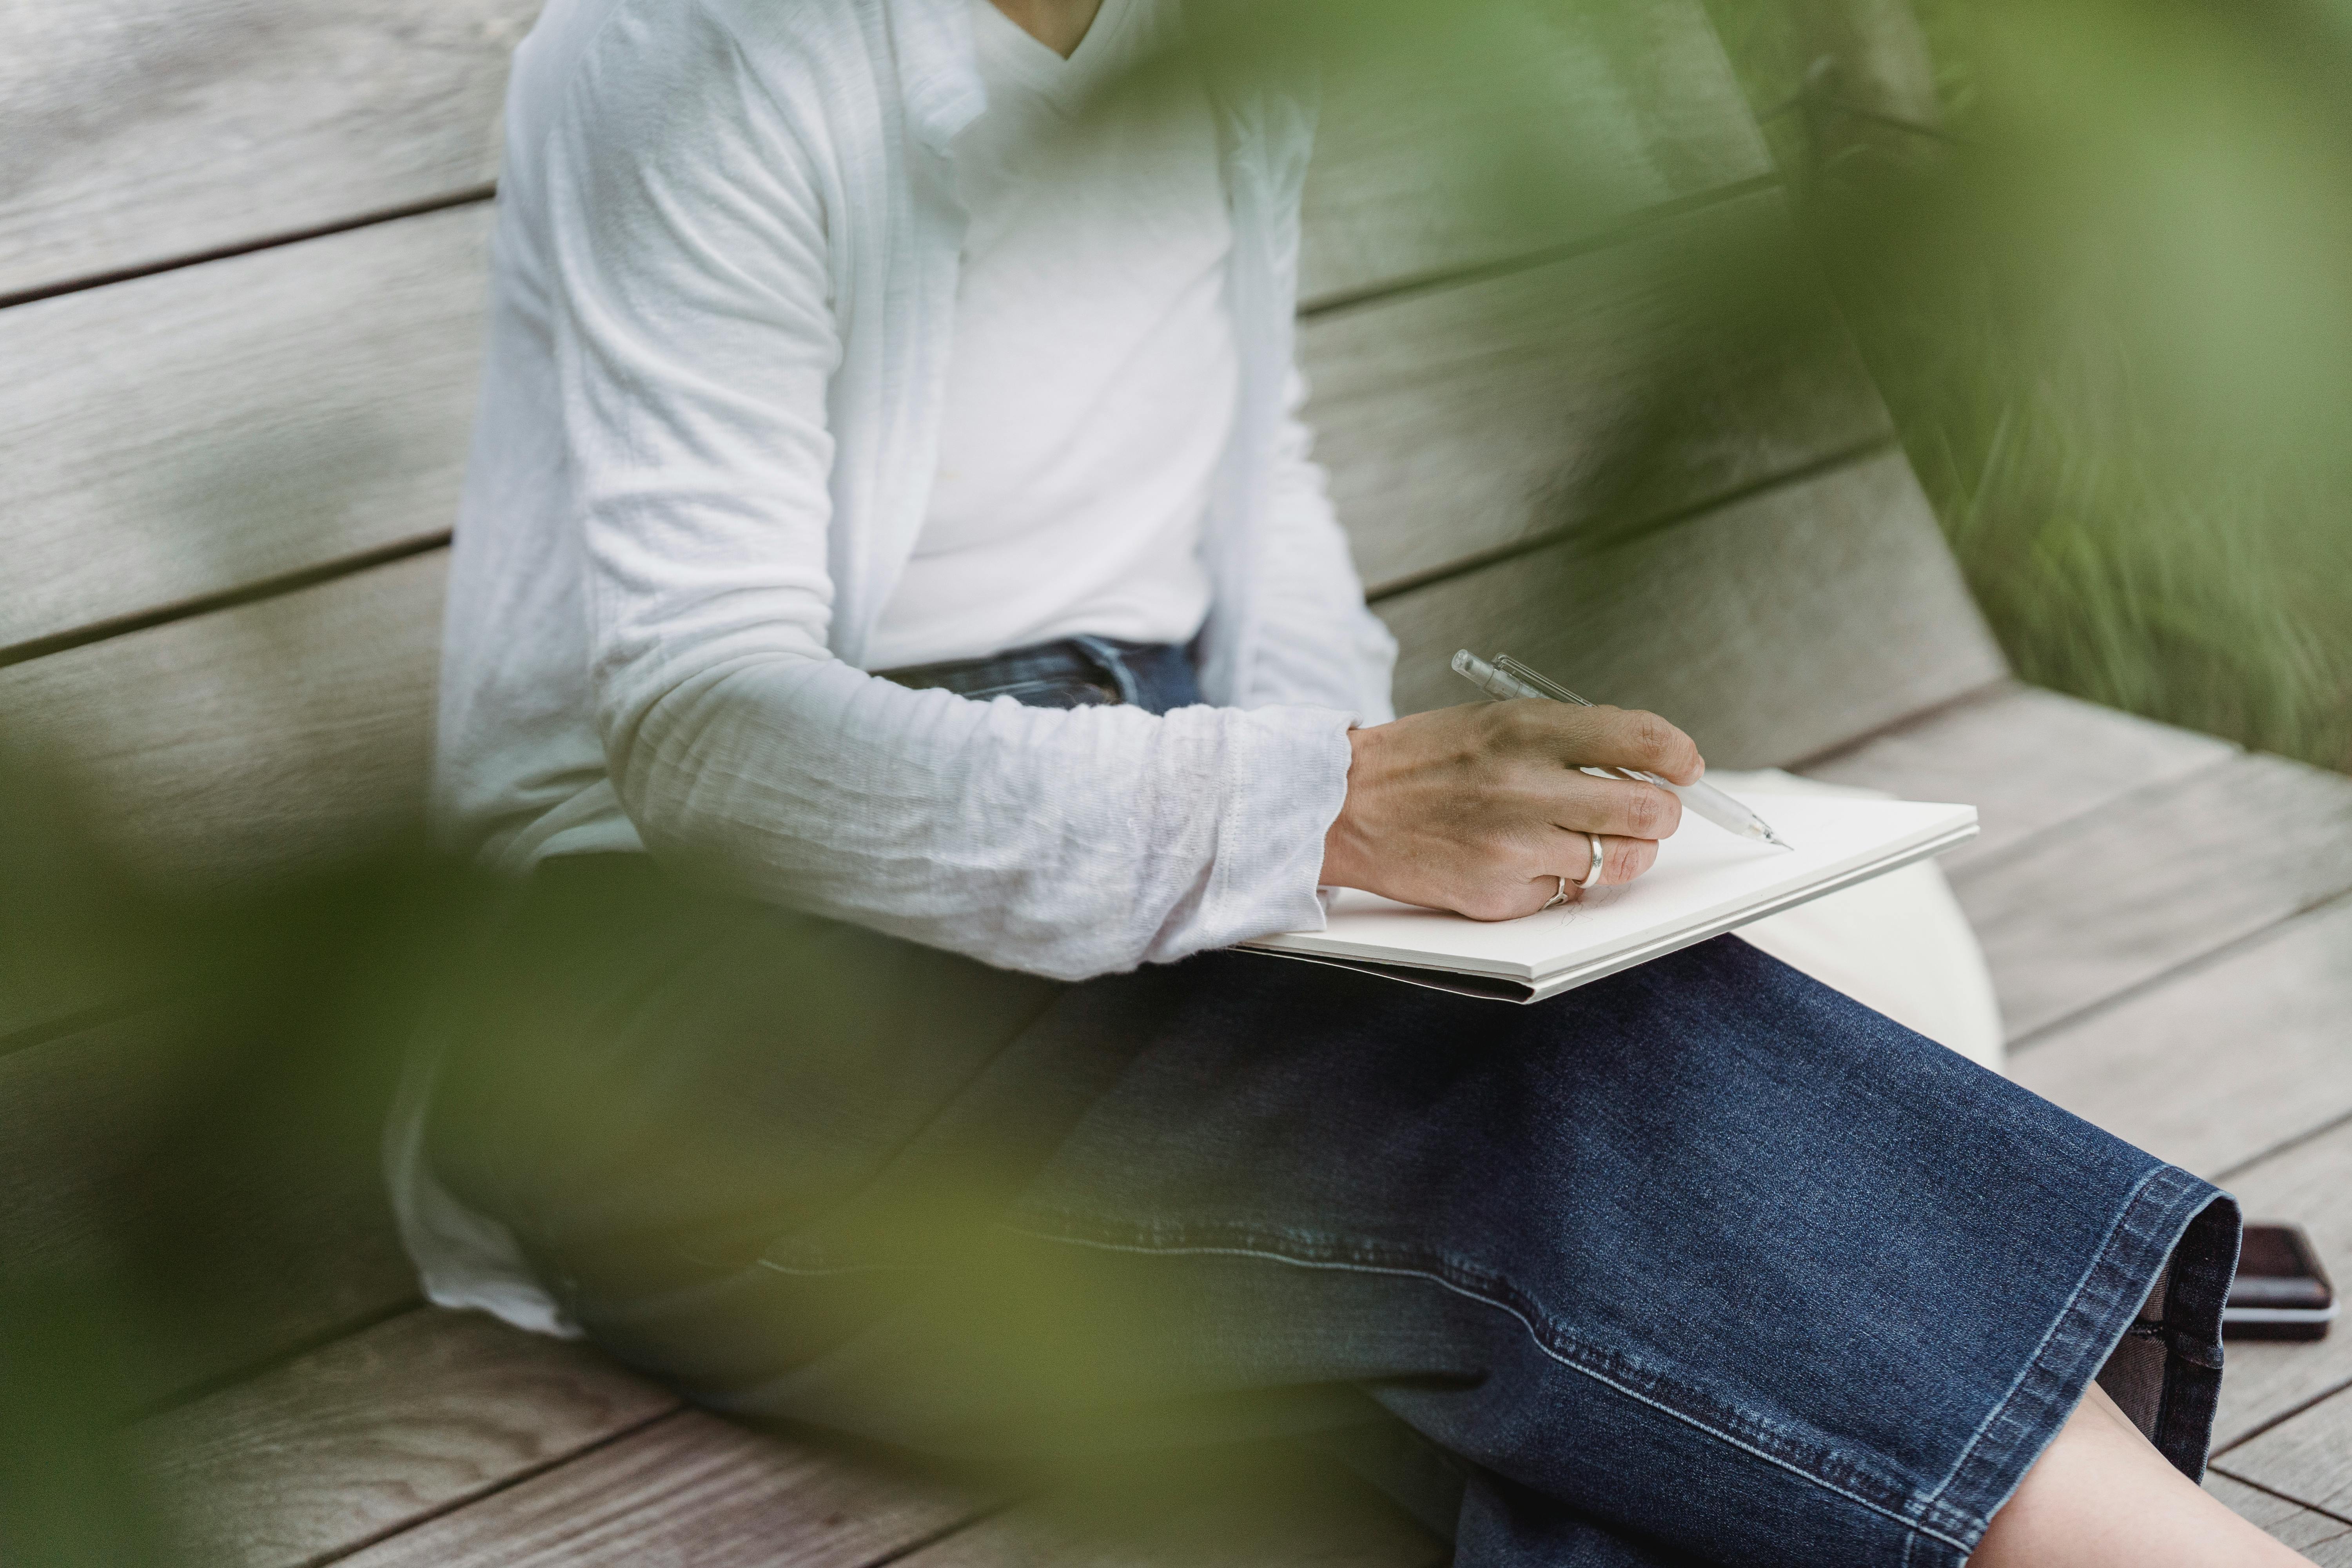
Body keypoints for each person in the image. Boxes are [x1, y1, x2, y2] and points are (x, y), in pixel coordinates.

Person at [392, 0, 2305, 1561]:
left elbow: (1260, 493)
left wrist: (1356, 844)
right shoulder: (686, 52)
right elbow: (713, 737)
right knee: (1535, 1112)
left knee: (1573, 1395)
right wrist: (1313, 810)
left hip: (1133, 840)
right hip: (688, 1020)